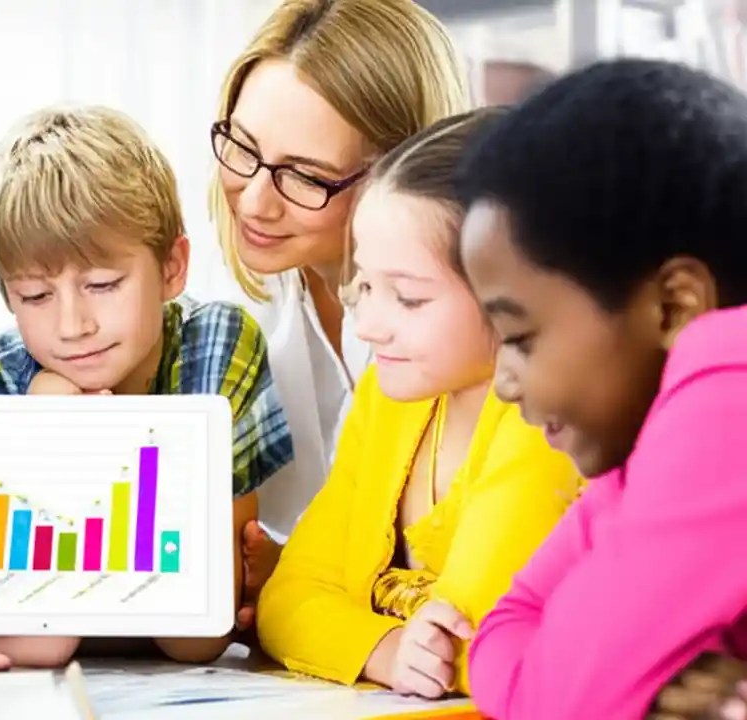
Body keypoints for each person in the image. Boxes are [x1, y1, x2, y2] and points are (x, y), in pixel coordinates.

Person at [0, 105, 293, 668]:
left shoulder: (217, 344)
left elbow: (197, 635)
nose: (72, 325)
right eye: (35, 296)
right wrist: (44, 438)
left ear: (172, 268)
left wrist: (106, 450)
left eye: (104, 284)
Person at [255, 109, 581, 698]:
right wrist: (385, 649)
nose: (369, 325)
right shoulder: (388, 398)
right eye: (365, 285)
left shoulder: (544, 419)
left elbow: (478, 640)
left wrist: (351, 632)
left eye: (407, 298)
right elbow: (286, 599)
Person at [457, 59, 747, 720]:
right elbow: (505, 627)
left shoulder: (731, 383)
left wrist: (613, 677)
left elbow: (556, 698)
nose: (504, 383)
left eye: (521, 337)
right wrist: (655, 681)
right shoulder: (639, 458)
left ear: (674, 306)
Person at [208, 0, 471, 618]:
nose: (255, 203)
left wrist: (296, 580)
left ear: (399, 174)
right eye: (241, 147)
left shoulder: (459, 335)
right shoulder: (232, 308)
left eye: (305, 176)